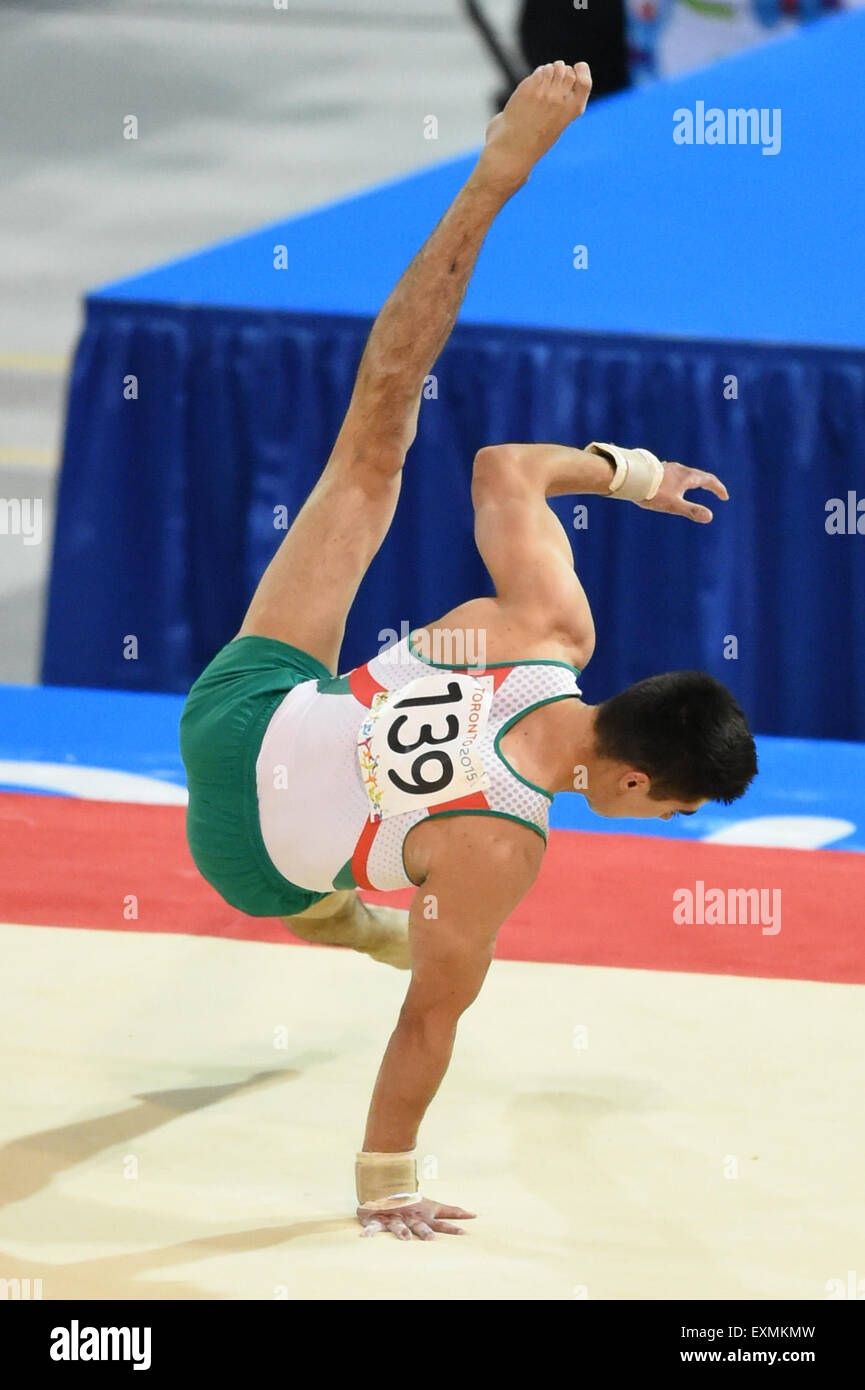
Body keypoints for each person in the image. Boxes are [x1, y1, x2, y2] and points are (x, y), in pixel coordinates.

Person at [180, 61, 757, 1242]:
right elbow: (430, 1025)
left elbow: (501, 465)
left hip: (240, 698)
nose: (668, 824)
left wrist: (633, 475)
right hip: (242, 854)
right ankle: (348, 917)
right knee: (356, 911)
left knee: (375, 437)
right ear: (630, 778)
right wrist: (385, 1178)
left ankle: (490, 184)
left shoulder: (553, 627)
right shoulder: (504, 847)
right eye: (673, 810)